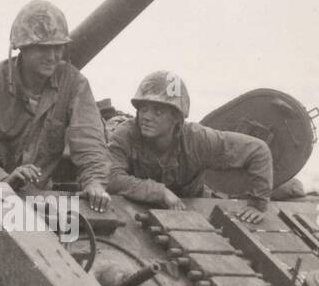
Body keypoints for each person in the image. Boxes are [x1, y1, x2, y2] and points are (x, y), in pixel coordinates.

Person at [0, 0, 112, 212]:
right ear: (22, 48)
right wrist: (4, 180)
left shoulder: (73, 83)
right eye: (43, 48)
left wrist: (94, 181)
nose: (53, 57)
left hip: (37, 199)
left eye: (58, 48)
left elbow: (89, 140)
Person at [107, 71, 272, 223]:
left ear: (176, 118)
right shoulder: (125, 135)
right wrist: (160, 192)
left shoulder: (197, 139)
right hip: (133, 210)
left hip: (189, 211)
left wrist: (257, 205)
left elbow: (258, 150)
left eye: (158, 112)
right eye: (143, 109)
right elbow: (110, 177)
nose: (147, 117)